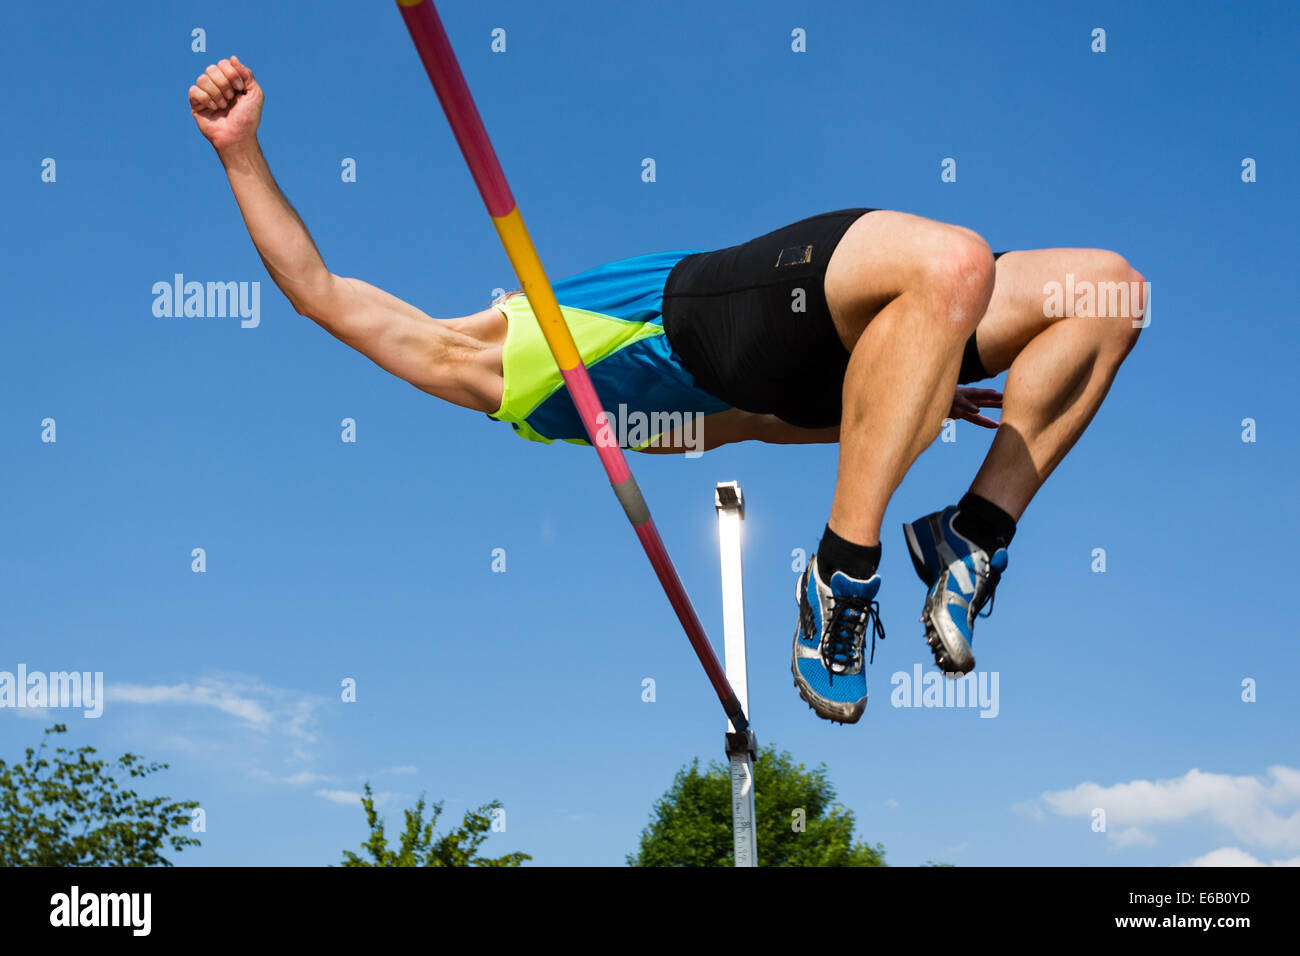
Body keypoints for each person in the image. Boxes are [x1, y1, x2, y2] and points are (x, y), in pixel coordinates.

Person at [191, 57, 1145, 724]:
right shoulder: (489, 371)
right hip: (721, 337)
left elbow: (755, 428)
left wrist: (910, 386)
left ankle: (969, 536)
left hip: (781, 348)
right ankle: (840, 574)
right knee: (953, 261)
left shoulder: (587, 386)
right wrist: (241, 154)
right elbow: (318, 293)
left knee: (1106, 294)